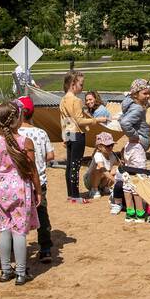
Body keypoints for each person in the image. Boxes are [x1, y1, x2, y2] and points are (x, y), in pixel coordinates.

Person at [0, 100, 42, 285]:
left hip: (0, 188)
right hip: (20, 187)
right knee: (19, 231)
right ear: (18, 119)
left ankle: (5, 270)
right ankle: (21, 272)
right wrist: (38, 190)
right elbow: (32, 169)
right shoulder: (25, 142)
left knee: (4, 229)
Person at [18, 96, 56, 263]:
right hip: (39, 180)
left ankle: (18, 250)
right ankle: (45, 248)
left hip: (19, 181)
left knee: (19, 216)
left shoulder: (14, 134)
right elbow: (50, 155)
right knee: (41, 214)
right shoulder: (41, 133)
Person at [118, 77, 150, 223]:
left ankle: (130, 212)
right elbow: (125, 123)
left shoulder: (132, 105)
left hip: (131, 148)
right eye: (145, 93)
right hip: (137, 147)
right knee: (138, 180)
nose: (148, 96)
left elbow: (145, 104)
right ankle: (140, 213)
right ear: (136, 94)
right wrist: (135, 137)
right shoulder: (138, 108)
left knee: (128, 179)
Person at [60, 71, 96, 204]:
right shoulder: (76, 100)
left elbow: (64, 120)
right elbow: (79, 121)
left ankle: (71, 194)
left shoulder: (63, 99)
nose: (83, 87)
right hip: (77, 134)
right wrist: (95, 121)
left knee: (70, 165)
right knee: (75, 165)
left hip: (68, 133)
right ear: (73, 84)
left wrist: (64, 136)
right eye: (81, 84)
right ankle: (76, 195)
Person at [87, 131, 120, 206]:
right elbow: (102, 169)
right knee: (100, 170)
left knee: (116, 170)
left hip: (103, 179)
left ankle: (105, 187)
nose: (110, 147)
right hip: (90, 180)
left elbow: (118, 165)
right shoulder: (98, 155)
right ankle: (94, 189)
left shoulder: (112, 155)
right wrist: (115, 181)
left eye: (112, 145)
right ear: (99, 147)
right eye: (107, 146)